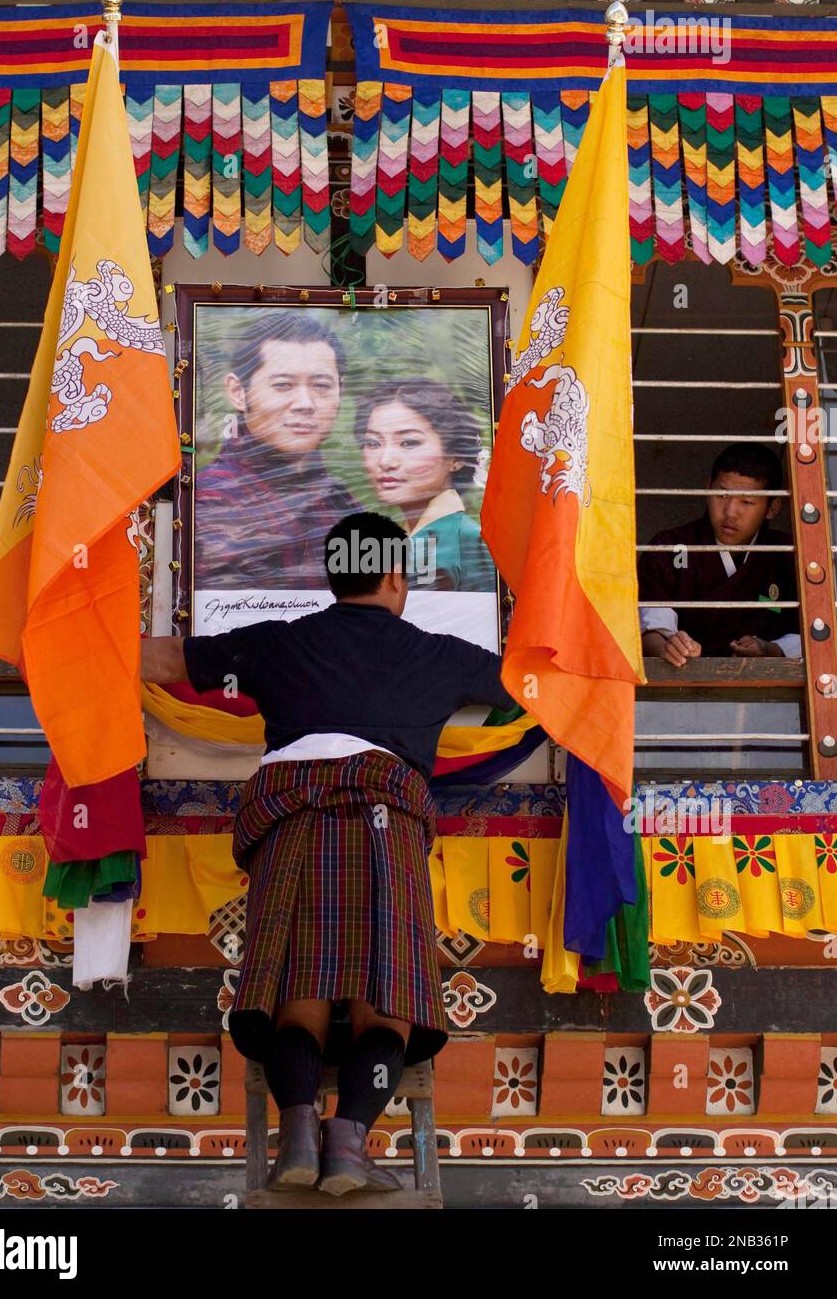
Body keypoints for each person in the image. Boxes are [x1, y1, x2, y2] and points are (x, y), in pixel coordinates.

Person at [142, 512, 513, 1195]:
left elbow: (163, 662)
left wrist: (60, 646)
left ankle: (297, 1138)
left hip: (291, 825)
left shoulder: (277, 645)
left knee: (298, 999)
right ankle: (348, 1147)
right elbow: (543, 685)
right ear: (397, 578)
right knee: (386, 1004)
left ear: (330, 576)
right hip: (385, 828)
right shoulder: (439, 655)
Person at [194, 311, 358, 590]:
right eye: (283, 385)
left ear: (340, 391)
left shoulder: (340, 499)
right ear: (238, 392)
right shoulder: (214, 497)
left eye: (321, 386)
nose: (305, 403)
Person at [638, 443, 800, 667]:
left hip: (774, 699)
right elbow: (652, 627)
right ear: (707, 488)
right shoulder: (669, 547)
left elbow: (817, 634)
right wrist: (670, 648)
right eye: (721, 495)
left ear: (772, 508)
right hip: (677, 692)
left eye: (747, 502)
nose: (730, 513)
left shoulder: (791, 553)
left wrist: (772, 650)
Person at [354, 379, 496, 592]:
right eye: (373, 443)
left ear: (455, 457)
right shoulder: (389, 542)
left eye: (409, 443)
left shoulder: (471, 543)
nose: (385, 461)